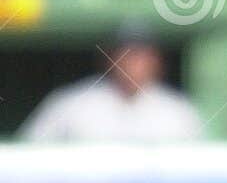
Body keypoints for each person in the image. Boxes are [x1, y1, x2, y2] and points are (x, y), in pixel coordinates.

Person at [20, 23, 205, 144]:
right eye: (126, 55)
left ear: (156, 62)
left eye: (141, 56)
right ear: (109, 59)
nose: (134, 64)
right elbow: (29, 153)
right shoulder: (71, 104)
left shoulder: (178, 111)